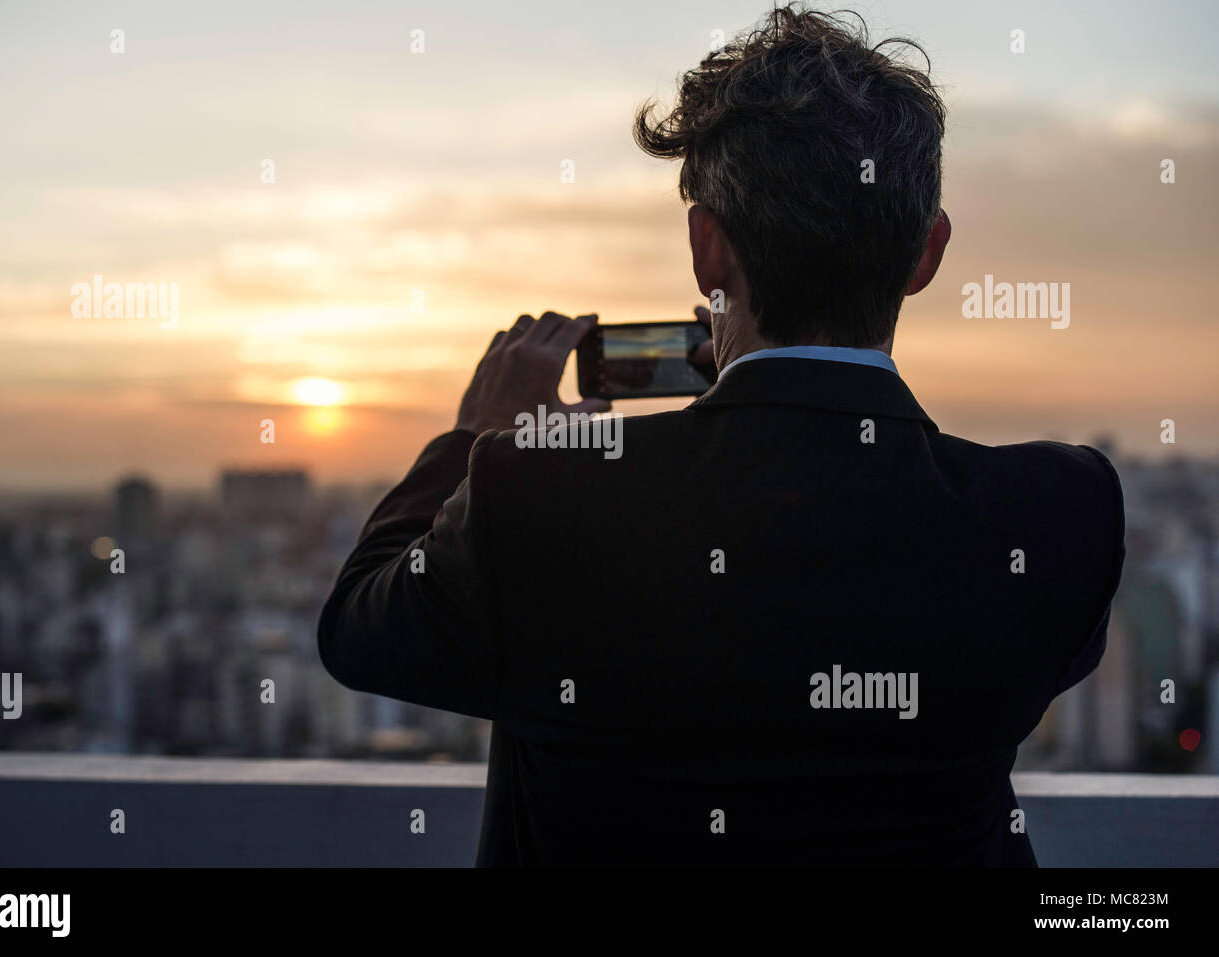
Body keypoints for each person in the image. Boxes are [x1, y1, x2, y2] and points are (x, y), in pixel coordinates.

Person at [318, 4, 1124, 866]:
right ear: (926, 254)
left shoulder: (541, 499)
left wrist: (473, 434)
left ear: (707, 247)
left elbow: (362, 631)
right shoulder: (1054, 519)